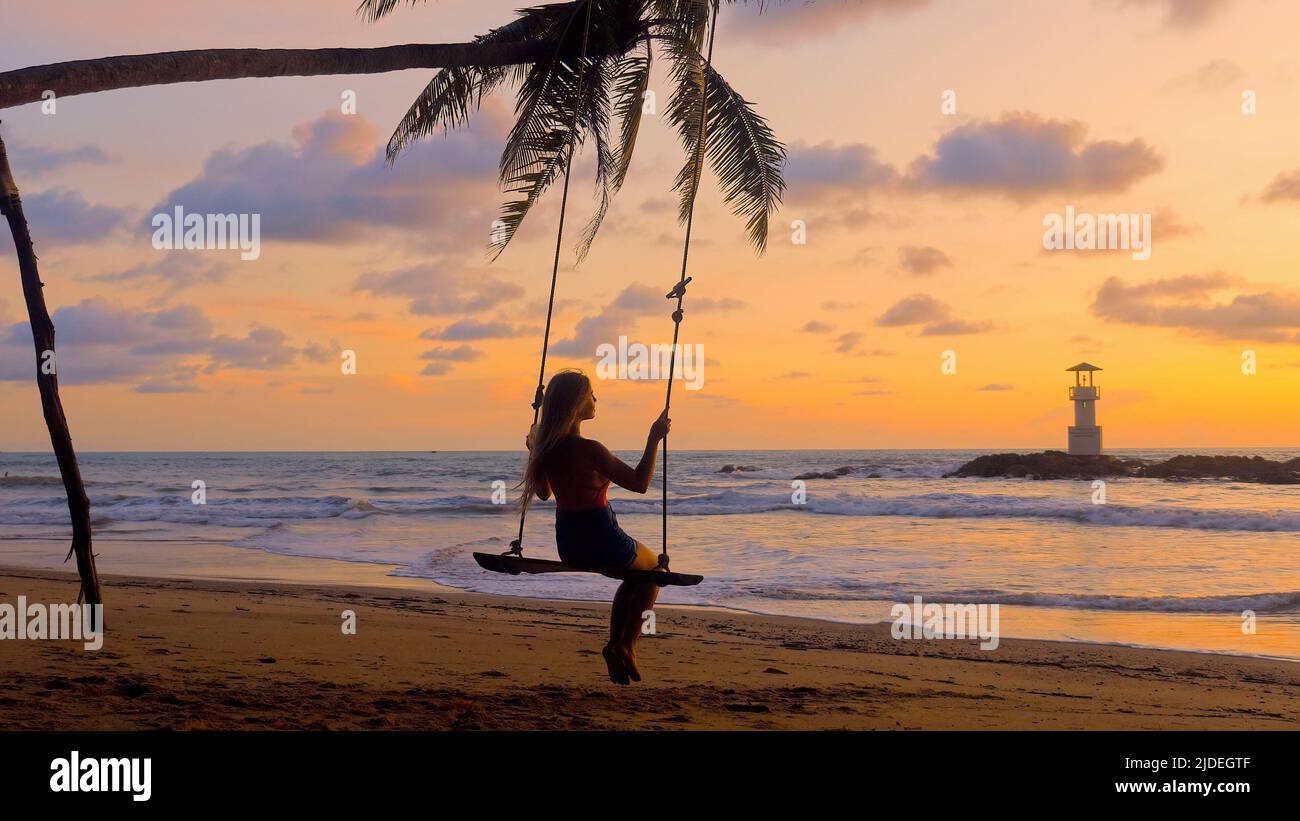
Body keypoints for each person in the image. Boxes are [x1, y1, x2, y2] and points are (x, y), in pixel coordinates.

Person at [519, 369, 670, 685]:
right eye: (591, 394)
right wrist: (653, 439)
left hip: (570, 545)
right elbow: (640, 483)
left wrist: (534, 449)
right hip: (602, 538)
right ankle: (624, 644)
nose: (595, 399)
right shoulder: (592, 449)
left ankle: (619, 645)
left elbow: (545, 493)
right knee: (654, 569)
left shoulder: (549, 448)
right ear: (577, 403)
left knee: (634, 579)